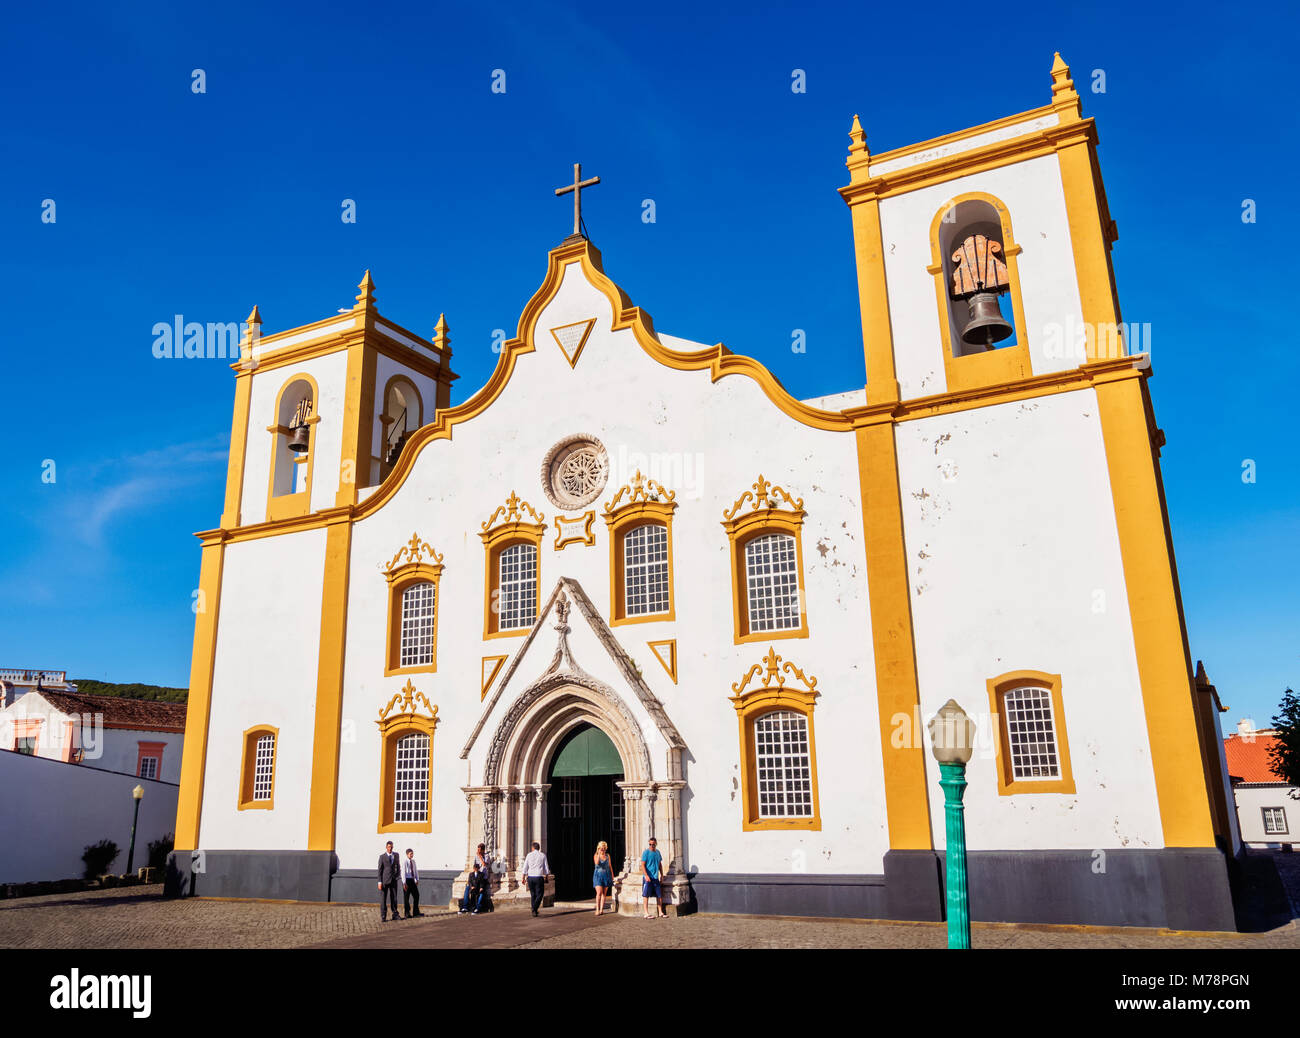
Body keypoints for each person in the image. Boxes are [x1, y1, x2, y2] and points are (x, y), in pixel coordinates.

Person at [520, 841, 550, 917]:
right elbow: (546, 868)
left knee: (533, 894)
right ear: (539, 848)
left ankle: (535, 911)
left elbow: (525, 866)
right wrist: (546, 877)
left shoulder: (529, 855)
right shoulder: (542, 855)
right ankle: (534, 908)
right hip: (538, 877)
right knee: (540, 894)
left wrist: (523, 877)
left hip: (530, 877)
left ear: (532, 848)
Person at [640, 836, 666, 919]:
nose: (651, 846)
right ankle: (646, 913)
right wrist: (646, 875)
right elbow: (643, 865)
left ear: (656, 844)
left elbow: (660, 864)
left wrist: (662, 875)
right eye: (650, 844)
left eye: (653, 844)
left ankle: (660, 912)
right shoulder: (646, 853)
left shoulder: (658, 852)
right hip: (648, 877)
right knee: (646, 895)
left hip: (655, 877)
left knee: (659, 895)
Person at [460, 843, 490, 914]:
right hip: (476, 877)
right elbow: (475, 866)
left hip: (483, 878)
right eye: (478, 849)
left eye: (480, 850)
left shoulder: (487, 856)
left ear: (483, 850)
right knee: (468, 888)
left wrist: (480, 856)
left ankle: (478, 907)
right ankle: (465, 906)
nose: (478, 851)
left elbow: (484, 864)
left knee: (481, 891)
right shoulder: (476, 857)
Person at [377, 840, 401, 922]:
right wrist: (379, 882)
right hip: (384, 881)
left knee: (394, 898)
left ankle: (395, 914)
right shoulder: (382, 857)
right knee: (383, 899)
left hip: (393, 880)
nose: (390, 848)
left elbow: (398, 866)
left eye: (391, 847)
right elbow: (380, 870)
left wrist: (397, 876)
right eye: (388, 847)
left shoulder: (396, 855)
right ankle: (383, 915)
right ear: (386, 847)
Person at [592, 840, 614, 916]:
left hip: (606, 875)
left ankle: (601, 909)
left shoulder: (608, 856)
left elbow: (610, 866)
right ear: (598, 848)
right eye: (601, 848)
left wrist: (612, 875)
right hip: (598, 876)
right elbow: (597, 863)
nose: (603, 849)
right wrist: (598, 853)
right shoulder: (596, 855)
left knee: (604, 893)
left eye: (604, 848)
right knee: (599, 893)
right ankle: (597, 909)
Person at [402, 847, 421, 918]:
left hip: (412, 880)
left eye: (412, 854)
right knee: (406, 897)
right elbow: (403, 872)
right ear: (407, 854)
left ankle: (416, 912)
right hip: (407, 880)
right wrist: (404, 882)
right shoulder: (405, 862)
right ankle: (407, 913)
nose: (411, 855)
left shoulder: (413, 861)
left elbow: (415, 870)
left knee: (416, 895)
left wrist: (417, 879)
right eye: (410, 854)